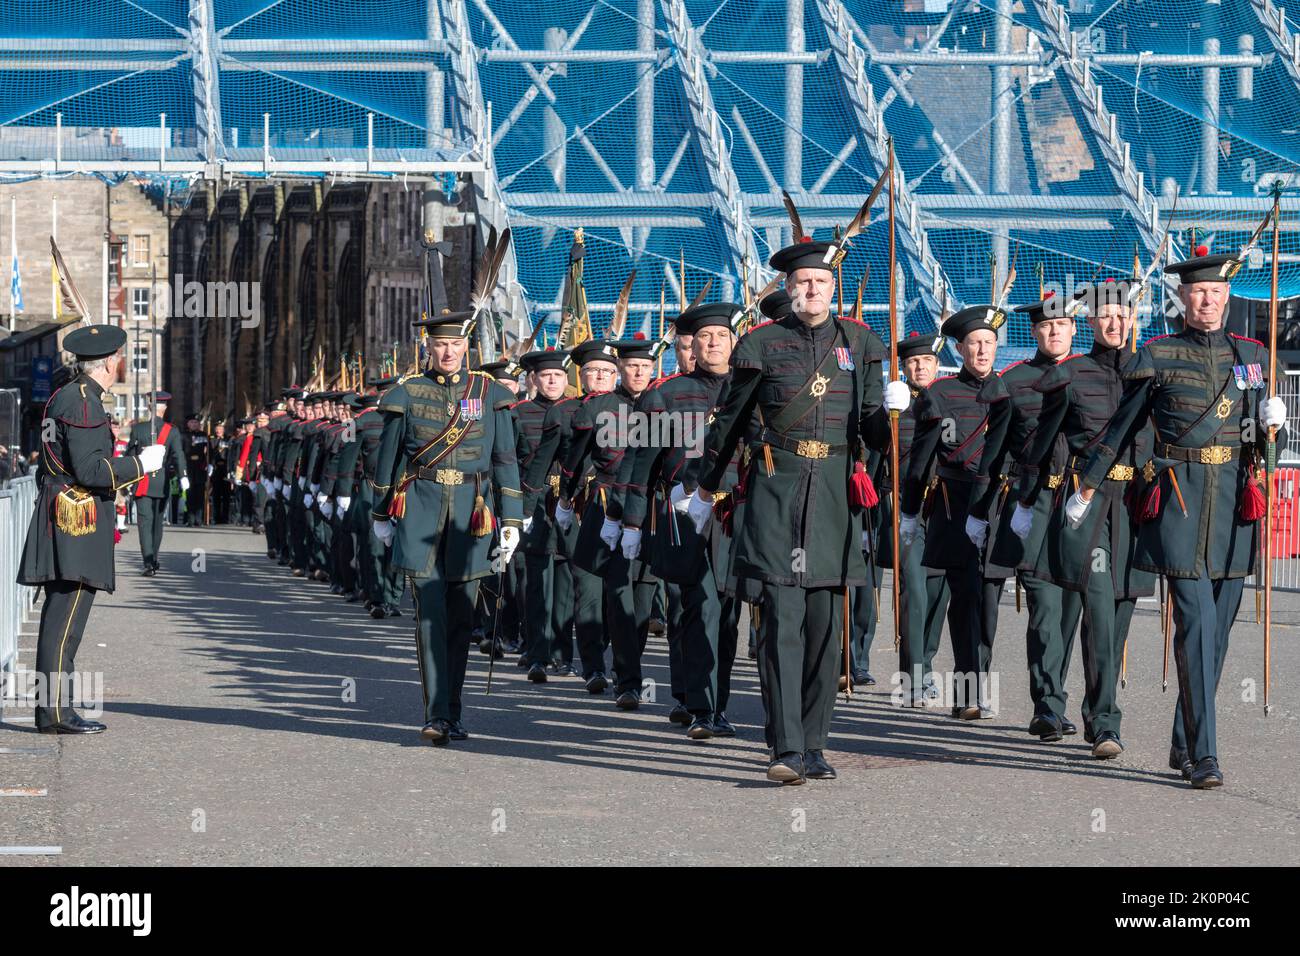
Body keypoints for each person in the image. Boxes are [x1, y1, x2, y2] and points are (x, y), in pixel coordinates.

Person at [689, 238, 905, 784]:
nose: (813, 290)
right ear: (789, 289)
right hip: (776, 492)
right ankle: (784, 747)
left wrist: (897, 410)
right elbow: (730, 421)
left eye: (822, 283)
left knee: (823, 628)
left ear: (833, 289)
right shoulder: (760, 345)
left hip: (834, 494)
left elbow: (873, 432)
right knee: (782, 624)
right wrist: (706, 487)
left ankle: (814, 744)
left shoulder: (861, 342)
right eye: (804, 283)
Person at [1068, 249, 1287, 788]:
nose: (1207, 299)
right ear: (1183, 299)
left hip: (1236, 504)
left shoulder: (1255, 356)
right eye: (1197, 292)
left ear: (1227, 298)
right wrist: (1088, 485)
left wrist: (1273, 430)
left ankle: (1183, 743)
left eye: (1215, 292)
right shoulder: (1157, 356)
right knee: (1195, 623)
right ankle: (1206, 757)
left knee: (1216, 636)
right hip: (1182, 503)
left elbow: (1263, 449)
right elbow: (1121, 429)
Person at [370, 311, 522, 744]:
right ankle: (436, 714)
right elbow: (389, 458)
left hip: (472, 517)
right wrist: (382, 513)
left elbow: (505, 460)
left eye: (455, 344)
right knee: (430, 619)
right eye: (440, 345)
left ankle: (454, 711)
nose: (448, 351)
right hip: (421, 511)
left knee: (460, 620)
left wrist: (511, 520)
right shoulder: (407, 393)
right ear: (428, 349)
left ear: (467, 347)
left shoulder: (488, 393)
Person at [1018, 281, 1155, 758]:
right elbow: (1040, 446)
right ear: (1091, 323)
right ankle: (1103, 724)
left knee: (1116, 620)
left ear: (1132, 320)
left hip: (1135, 510)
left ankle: (1094, 709)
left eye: (1122, 316)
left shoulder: (1148, 373)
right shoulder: (1071, 376)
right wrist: (1024, 503)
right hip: (1085, 506)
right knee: (1095, 612)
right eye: (1105, 317)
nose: (1114, 324)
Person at [18, 325, 166, 734]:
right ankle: (54, 714)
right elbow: (89, 470)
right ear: (108, 363)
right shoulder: (83, 403)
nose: (121, 363)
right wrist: (141, 465)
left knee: (61, 619)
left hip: (64, 515)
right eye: (119, 358)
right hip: (74, 522)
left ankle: (56, 710)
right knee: (65, 621)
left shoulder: (68, 396)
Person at [618, 302, 744, 740]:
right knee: (701, 607)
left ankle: (714, 703)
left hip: (736, 515)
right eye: (704, 338)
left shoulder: (751, 388)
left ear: (734, 342)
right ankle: (700, 708)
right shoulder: (666, 394)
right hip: (685, 516)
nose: (712, 345)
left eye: (721, 337)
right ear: (691, 345)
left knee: (728, 614)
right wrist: (631, 522)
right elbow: (640, 462)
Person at [969, 295, 1082, 741]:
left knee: (1071, 611)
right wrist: (979, 512)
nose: (1054, 332)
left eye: (1062, 325)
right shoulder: (1012, 384)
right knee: (1044, 608)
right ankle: (1048, 705)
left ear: (1074, 329)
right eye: (1046, 327)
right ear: (1033, 333)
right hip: (1032, 506)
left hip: (1083, 506)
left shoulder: (1091, 375)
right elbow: (992, 456)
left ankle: (1056, 693)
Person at [900, 304, 1004, 721]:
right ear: (960, 349)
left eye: (989, 343)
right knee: (964, 599)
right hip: (954, 504)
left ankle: (979, 681)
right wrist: (910, 513)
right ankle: (968, 695)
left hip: (999, 505)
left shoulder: (1009, 391)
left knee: (989, 605)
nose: (982, 351)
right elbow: (920, 460)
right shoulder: (939, 395)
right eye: (974, 344)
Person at [560, 334, 662, 711]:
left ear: (653, 369)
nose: (638, 372)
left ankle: (627, 667)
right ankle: (623, 678)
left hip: (650, 509)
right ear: (621, 369)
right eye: (632, 366)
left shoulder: (662, 404)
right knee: (611, 593)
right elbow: (574, 459)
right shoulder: (599, 407)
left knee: (642, 596)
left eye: (644, 366)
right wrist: (566, 499)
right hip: (608, 507)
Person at [521, 340, 614, 692]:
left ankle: (588, 653)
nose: (600, 377)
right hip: (569, 503)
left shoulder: (631, 409)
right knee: (565, 582)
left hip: (615, 505)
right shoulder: (554, 413)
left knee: (604, 588)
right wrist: (524, 510)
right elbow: (536, 463)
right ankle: (560, 657)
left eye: (606, 371)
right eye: (592, 371)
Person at [880, 332, 950, 707]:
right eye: (912, 362)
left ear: (937, 365)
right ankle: (916, 677)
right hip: (907, 509)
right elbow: (875, 451)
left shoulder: (950, 398)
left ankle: (925, 662)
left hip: (945, 509)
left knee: (940, 595)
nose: (920, 367)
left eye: (926, 361)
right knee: (916, 593)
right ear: (903, 368)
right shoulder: (895, 406)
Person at [513, 349, 580, 682]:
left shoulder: (577, 410)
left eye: (558, 375)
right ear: (534, 380)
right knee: (536, 582)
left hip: (568, 501)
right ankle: (537, 652)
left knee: (566, 583)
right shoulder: (519, 413)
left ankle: (563, 653)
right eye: (546, 376)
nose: (552, 380)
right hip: (535, 502)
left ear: (566, 380)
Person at [125, 390, 186, 576]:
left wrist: (126, 478)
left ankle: (148, 563)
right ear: (164, 408)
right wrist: (183, 475)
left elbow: (130, 456)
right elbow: (178, 455)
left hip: (142, 480)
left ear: (150, 407)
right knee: (157, 524)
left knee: (145, 523)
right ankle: (154, 557)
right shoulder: (173, 431)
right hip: (162, 481)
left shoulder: (138, 429)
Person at [182, 414, 209, 527]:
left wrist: (210, 464)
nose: (194, 424)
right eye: (192, 422)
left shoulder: (203, 435)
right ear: (188, 424)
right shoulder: (183, 435)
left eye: (196, 422)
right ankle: (190, 519)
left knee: (200, 494)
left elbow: (209, 450)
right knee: (189, 494)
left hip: (200, 467)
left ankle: (199, 519)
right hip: (188, 467)